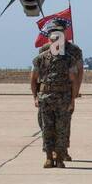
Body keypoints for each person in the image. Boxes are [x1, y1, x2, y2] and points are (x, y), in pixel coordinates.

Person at [30, 20, 78, 168]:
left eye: (59, 39)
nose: (56, 42)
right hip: (46, 97)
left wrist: (72, 98)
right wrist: (35, 97)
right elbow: (33, 79)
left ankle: (60, 157)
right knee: (47, 129)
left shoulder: (69, 59)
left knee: (61, 129)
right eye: (53, 40)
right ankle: (49, 157)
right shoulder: (40, 59)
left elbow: (73, 80)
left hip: (63, 98)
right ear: (49, 41)